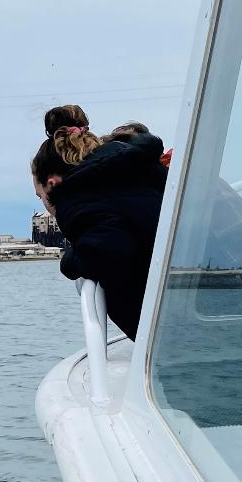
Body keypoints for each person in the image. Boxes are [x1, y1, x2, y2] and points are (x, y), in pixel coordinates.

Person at [32, 105, 166, 340]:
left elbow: (105, 252)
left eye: (39, 195)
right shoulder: (139, 172)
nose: (43, 202)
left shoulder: (80, 200)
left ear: (52, 184)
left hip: (173, 334)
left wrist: (71, 260)